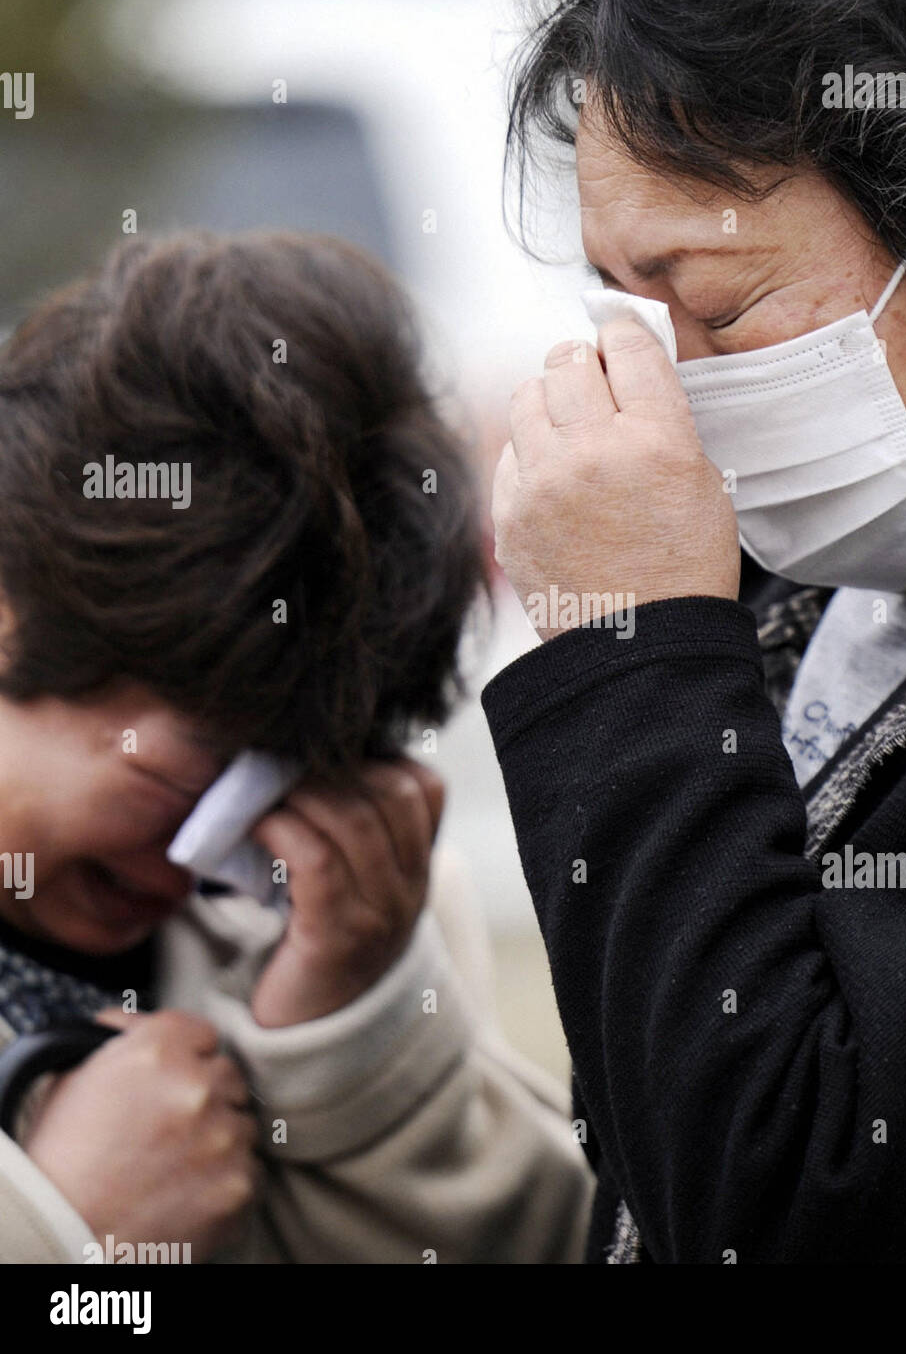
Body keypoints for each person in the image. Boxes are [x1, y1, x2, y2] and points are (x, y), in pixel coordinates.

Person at [484, 0, 906, 1262]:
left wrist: (628, 651)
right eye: (631, 305)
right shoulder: (822, 574)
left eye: (722, 309)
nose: (665, 386)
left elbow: (786, 1210)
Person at [0, 230, 593, 1263]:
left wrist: (352, 1054)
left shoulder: (348, 916)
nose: (196, 864)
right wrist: (59, 1234)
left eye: (260, 805)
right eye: (174, 783)